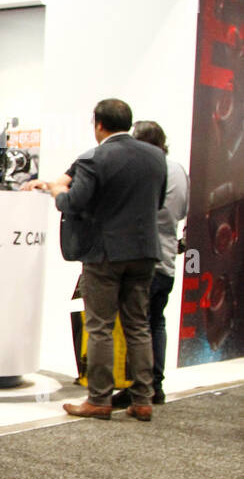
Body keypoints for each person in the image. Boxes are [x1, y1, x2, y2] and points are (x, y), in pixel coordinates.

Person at [27, 99, 165, 421]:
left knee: (100, 326)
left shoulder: (95, 158)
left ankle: (99, 399)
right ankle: (143, 400)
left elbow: (73, 203)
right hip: (145, 252)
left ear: (98, 124)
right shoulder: (156, 157)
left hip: (105, 253)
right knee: (138, 325)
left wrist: (57, 192)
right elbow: (157, 203)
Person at [111, 120, 187, 408]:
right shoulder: (179, 170)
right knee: (156, 322)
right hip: (167, 258)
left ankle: (139, 388)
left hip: (143, 255)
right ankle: (155, 385)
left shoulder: (148, 171)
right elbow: (183, 211)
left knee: (137, 325)